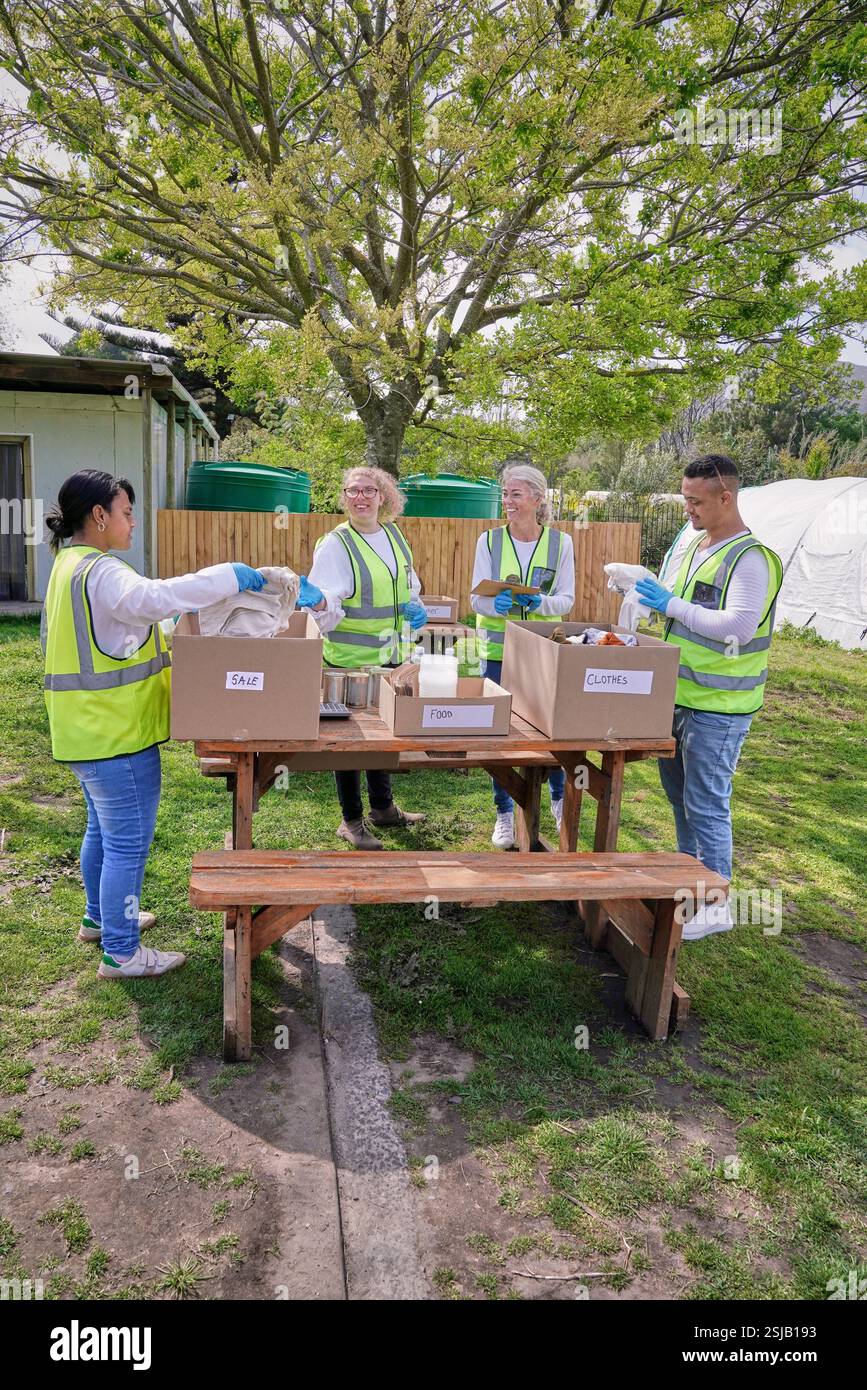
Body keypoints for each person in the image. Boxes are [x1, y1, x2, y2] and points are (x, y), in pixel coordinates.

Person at [43, 469, 267, 978]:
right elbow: (155, 598)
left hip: (83, 734)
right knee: (127, 844)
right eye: (126, 512)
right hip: (117, 737)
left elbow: (125, 626)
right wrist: (229, 575)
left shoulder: (68, 566)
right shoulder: (102, 571)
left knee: (101, 832)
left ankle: (99, 920)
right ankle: (121, 952)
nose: (132, 523)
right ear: (98, 515)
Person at [634, 454, 783, 941]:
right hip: (678, 700)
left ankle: (718, 905)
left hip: (718, 709)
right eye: (684, 499)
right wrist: (651, 602)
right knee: (681, 800)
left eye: (695, 501)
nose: (688, 509)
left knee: (707, 804)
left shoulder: (750, 558)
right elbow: (688, 616)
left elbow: (738, 625)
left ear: (727, 497)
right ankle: (693, 886)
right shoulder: (698, 546)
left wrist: (669, 604)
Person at [302, 465, 427, 850]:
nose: (360, 498)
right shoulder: (337, 544)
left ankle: (384, 808)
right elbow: (325, 607)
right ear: (343, 497)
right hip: (348, 664)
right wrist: (322, 602)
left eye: (368, 490)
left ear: (383, 496)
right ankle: (351, 820)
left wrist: (416, 605)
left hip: (390, 659)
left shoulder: (393, 535)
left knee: (384, 739)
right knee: (349, 745)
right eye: (352, 491)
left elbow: (409, 584)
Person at [470, 464, 575, 849]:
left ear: (537, 498)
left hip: (547, 650)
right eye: (505, 494)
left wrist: (542, 602)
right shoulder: (490, 541)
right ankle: (503, 814)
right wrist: (494, 605)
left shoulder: (560, 544)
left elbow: (567, 599)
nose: (508, 502)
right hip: (499, 650)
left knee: (553, 731)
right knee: (499, 734)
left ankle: (560, 801)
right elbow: (474, 598)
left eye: (516, 494)